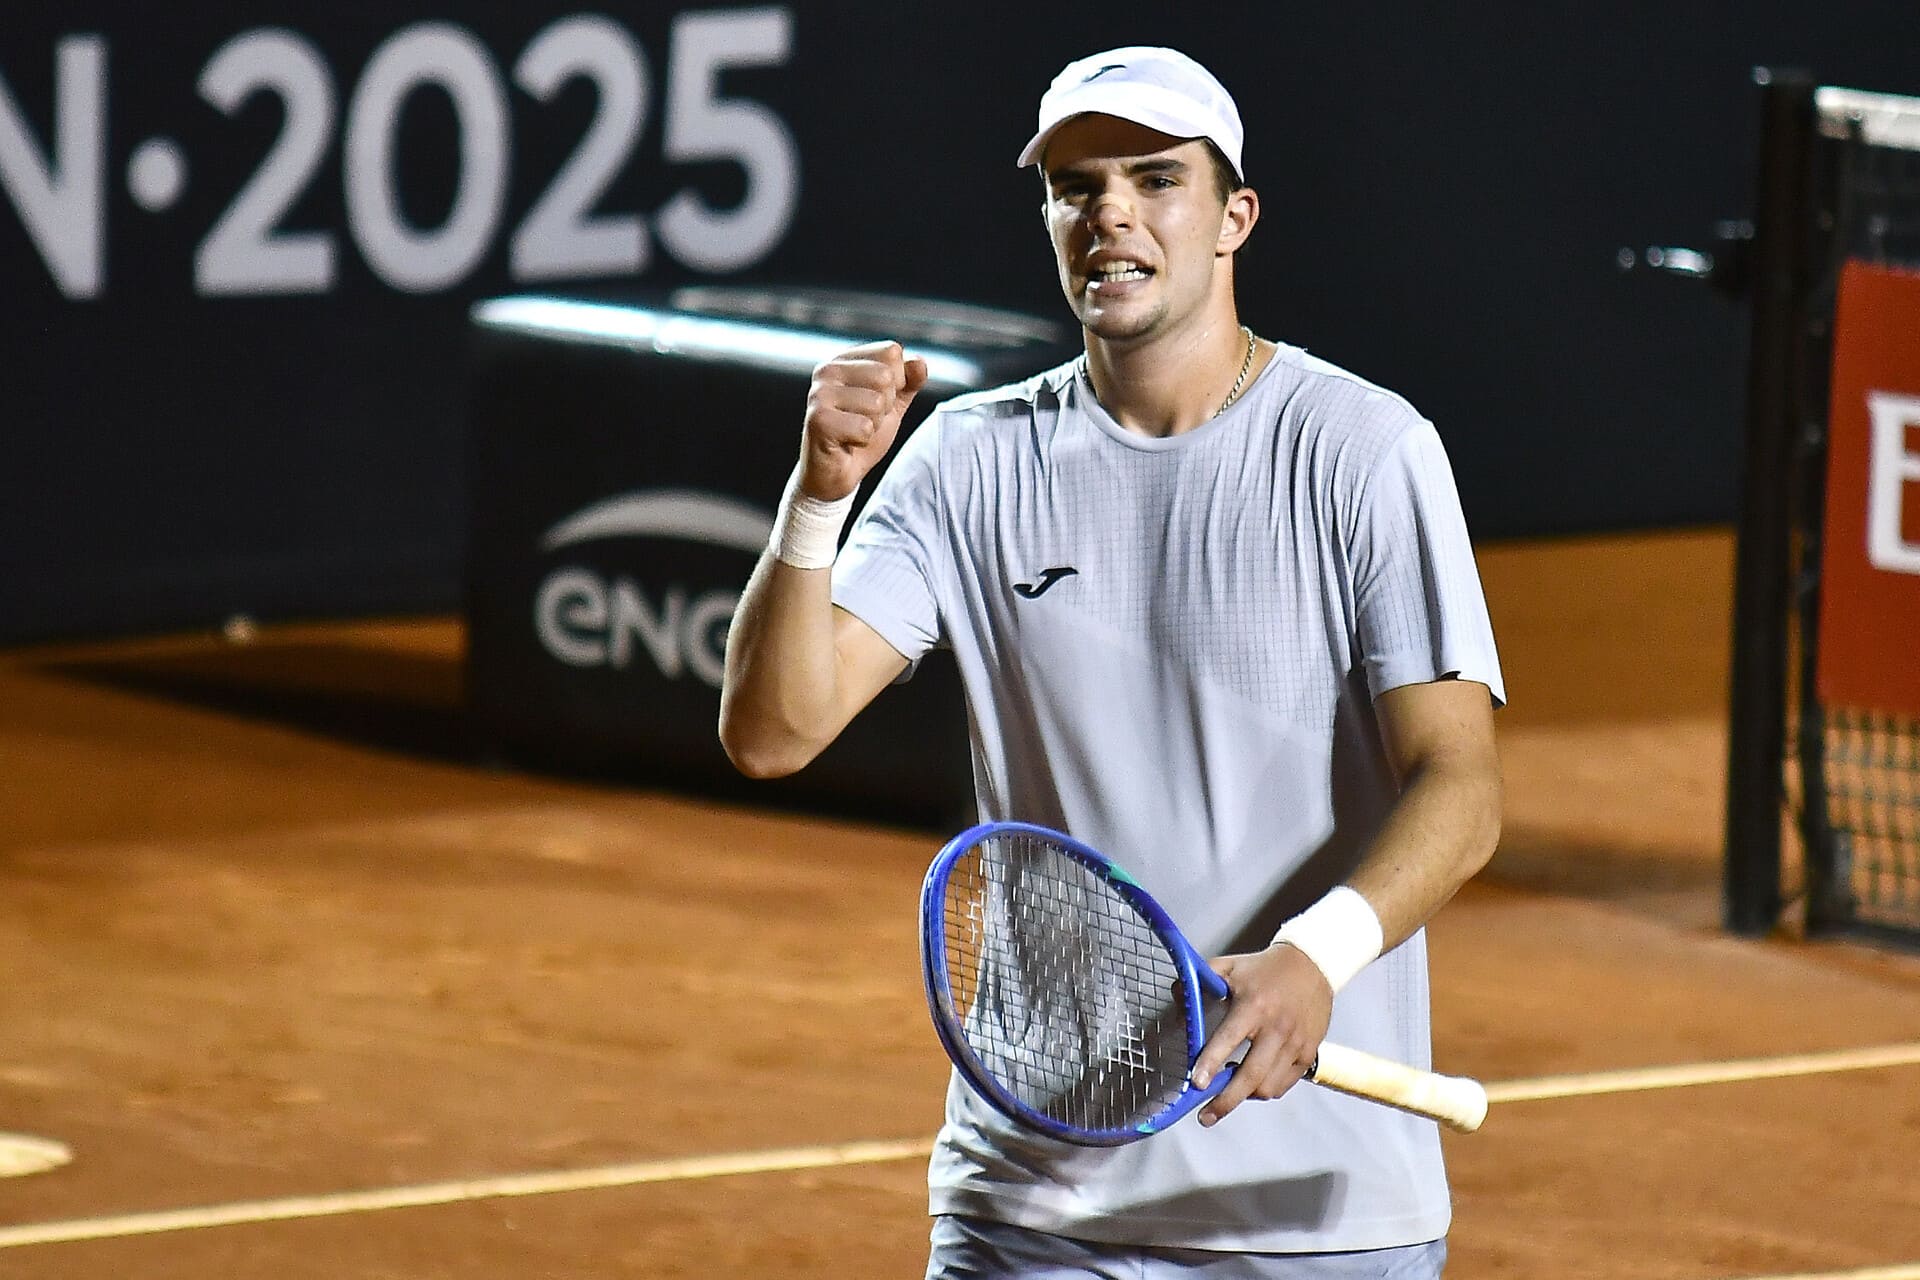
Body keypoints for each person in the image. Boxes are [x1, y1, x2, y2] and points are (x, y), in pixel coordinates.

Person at [719, 45, 1504, 1279]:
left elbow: (1460, 788)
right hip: (1029, 1207)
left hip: (1308, 1215)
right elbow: (774, 729)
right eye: (1078, 186)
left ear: (1233, 216)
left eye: (1155, 178)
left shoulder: (1365, 452)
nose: (1113, 214)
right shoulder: (966, 462)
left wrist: (1319, 956)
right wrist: (818, 499)